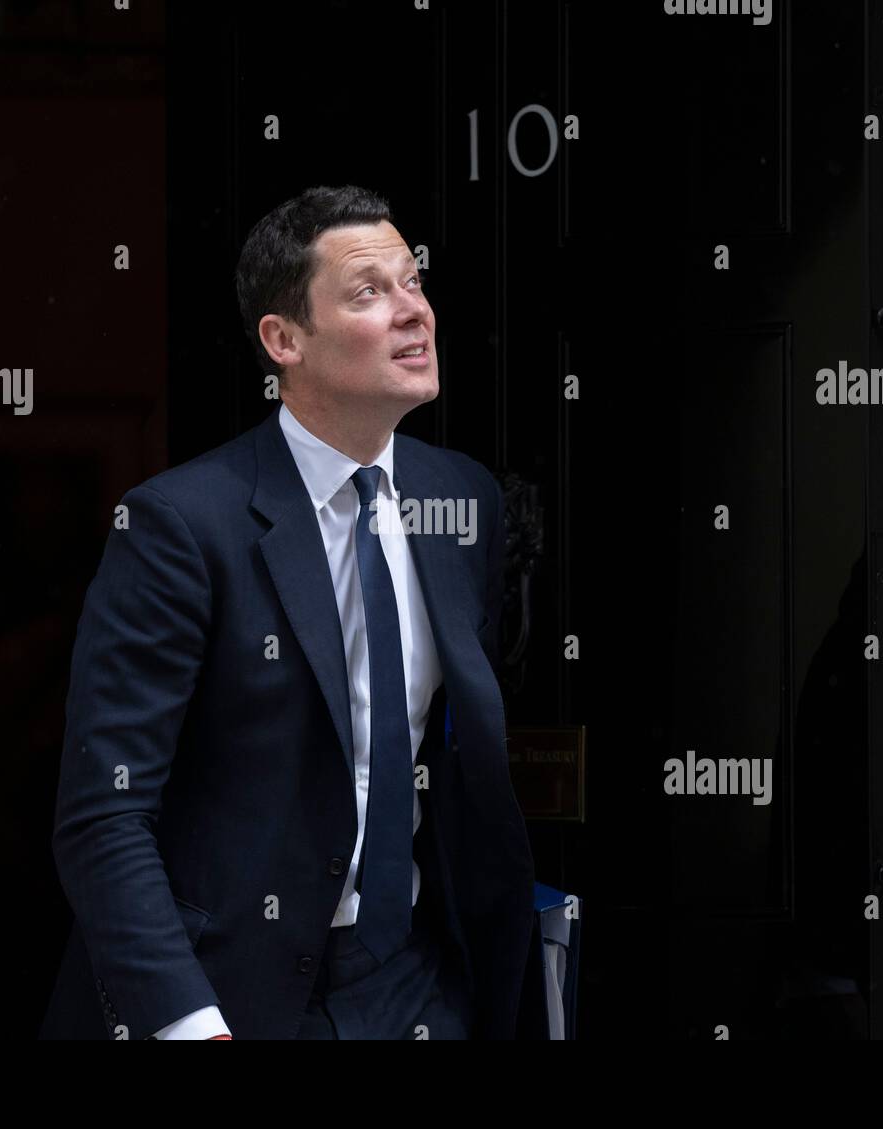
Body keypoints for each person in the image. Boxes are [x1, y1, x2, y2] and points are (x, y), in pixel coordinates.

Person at [39, 184, 536, 1040]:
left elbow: (452, 760)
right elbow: (104, 814)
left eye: (412, 282)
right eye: (368, 292)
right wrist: (191, 1024)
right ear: (284, 340)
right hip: (229, 990)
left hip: (415, 985)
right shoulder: (181, 526)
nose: (413, 311)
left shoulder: (464, 503)